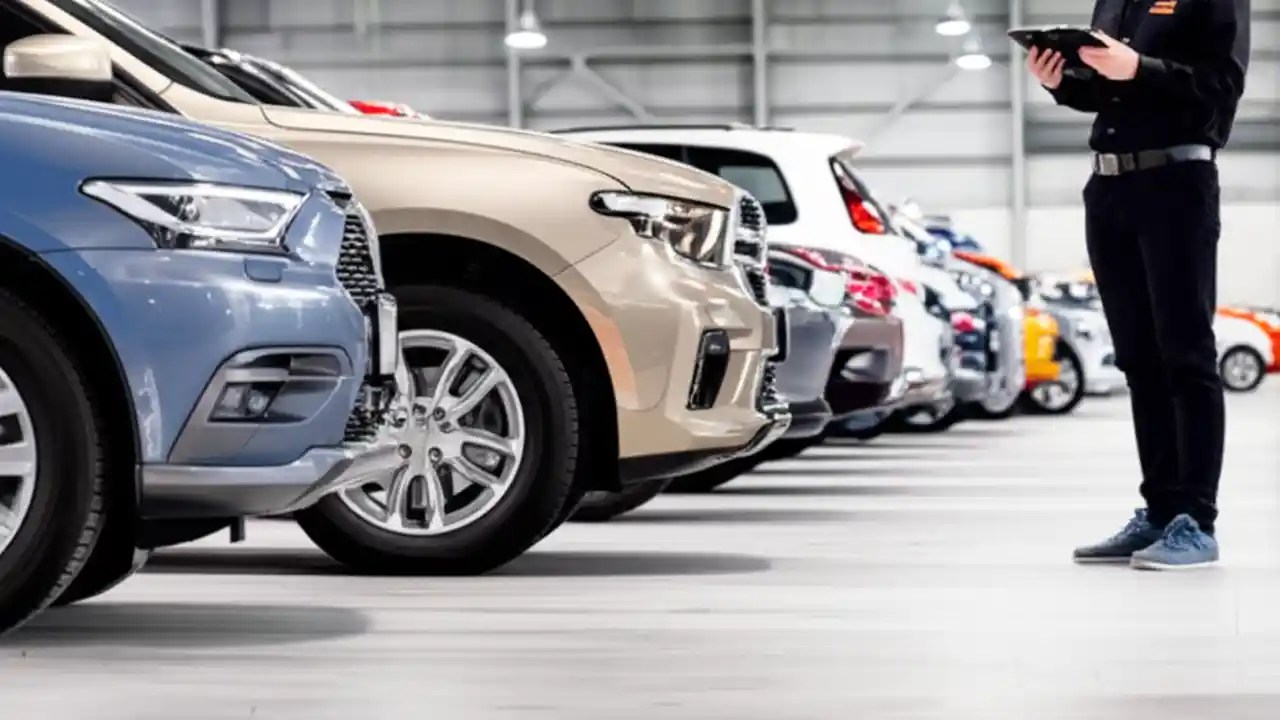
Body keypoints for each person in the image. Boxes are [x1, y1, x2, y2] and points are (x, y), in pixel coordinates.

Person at [1026, 0, 1250, 569]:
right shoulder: (1115, 0)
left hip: (1177, 184)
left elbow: (1220, 86)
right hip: (1108, 191)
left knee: (1187, 356)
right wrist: (1063, 84)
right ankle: (1158, 511)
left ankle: (1195, 521)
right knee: (1139, 361)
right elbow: (1111, 94)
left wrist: (1141, 68)